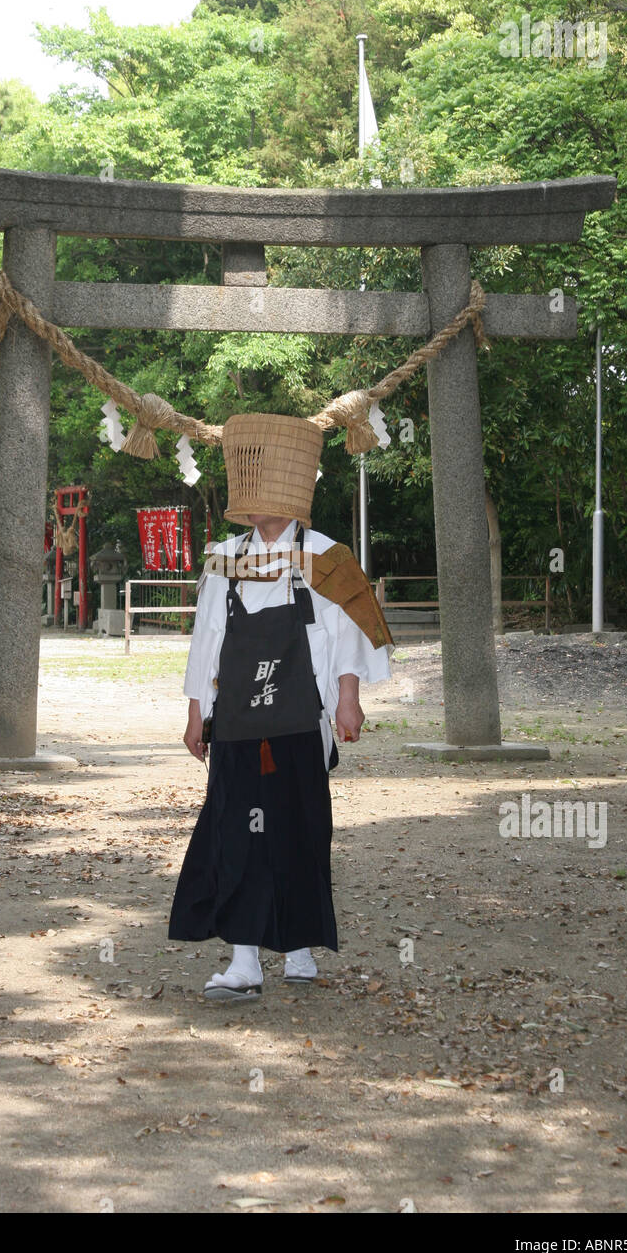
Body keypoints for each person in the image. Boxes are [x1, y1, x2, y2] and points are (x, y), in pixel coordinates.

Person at [168, 413, 393, 1001]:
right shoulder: (223, 559)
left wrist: (350, 700)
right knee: (237, 833)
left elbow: (348, 636)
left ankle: (297, 950)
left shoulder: (325, 556)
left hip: (302, 720)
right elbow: (207, 639)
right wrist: (197, 712)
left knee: (299, 831)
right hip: (239, 723)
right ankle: (244, 961)